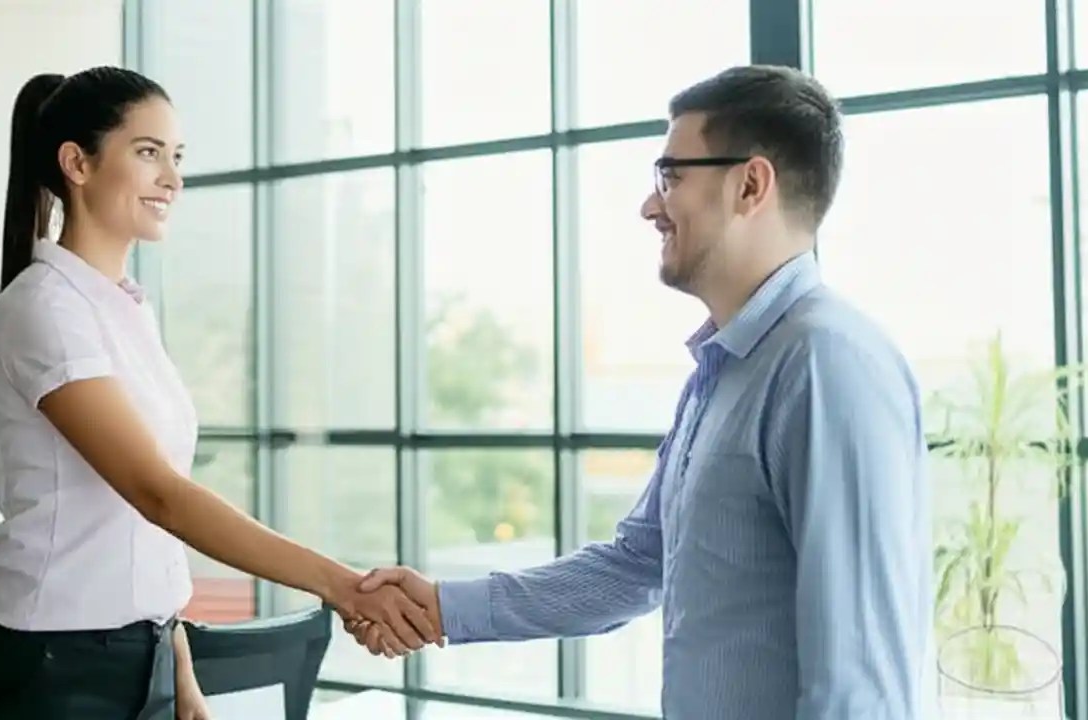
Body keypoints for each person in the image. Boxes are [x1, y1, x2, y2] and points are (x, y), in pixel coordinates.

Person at [347, 65, 932, 720]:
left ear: (750, 184)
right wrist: (440, 606)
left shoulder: (826, 366)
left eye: (671, 176)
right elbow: (635, 566)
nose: (651, 205)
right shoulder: (723, 370)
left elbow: (860, 679)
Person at [0, 66, 439, 720]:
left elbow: (141, 525)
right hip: (46, 668)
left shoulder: (125, 310)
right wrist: (343, 585)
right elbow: (159, 495)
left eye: (176, 157)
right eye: (148, 153)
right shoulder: (44, 311)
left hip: (136, 656)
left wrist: (177, 669)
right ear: (77, 164)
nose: (172, 178)